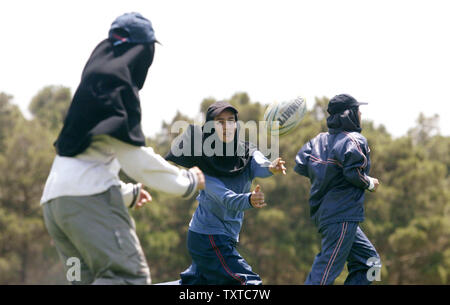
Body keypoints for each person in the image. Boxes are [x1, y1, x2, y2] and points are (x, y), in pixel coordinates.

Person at [40, 12, 205, 285]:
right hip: (86, 201)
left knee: (84, 281)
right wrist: (186, 181)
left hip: (56, 206)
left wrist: (126, 194)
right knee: (128, 277)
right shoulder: (116, 88)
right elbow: (135, 160)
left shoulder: (93, 85)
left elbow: (88, 161)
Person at [165, 101, 286, 285]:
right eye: (220, 121)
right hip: (208, 237)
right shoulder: (203, 163)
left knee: (195, 286)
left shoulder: (245, 151)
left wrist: (271, 167)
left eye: (231, 120)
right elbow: (225, 198)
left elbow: (259, 164)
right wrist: (250, 200)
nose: (226, 126)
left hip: (224, 236)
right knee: (249, 284)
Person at [294, 94, 381, 285]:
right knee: (324, 273)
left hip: (329, 216)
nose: (360, 115)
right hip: (341, 214)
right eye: (358, 111)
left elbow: (301, 165)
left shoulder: (318, 140)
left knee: (372, 263)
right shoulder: (355, 139)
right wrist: (369, 183)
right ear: (348, 114)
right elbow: (353, 173)